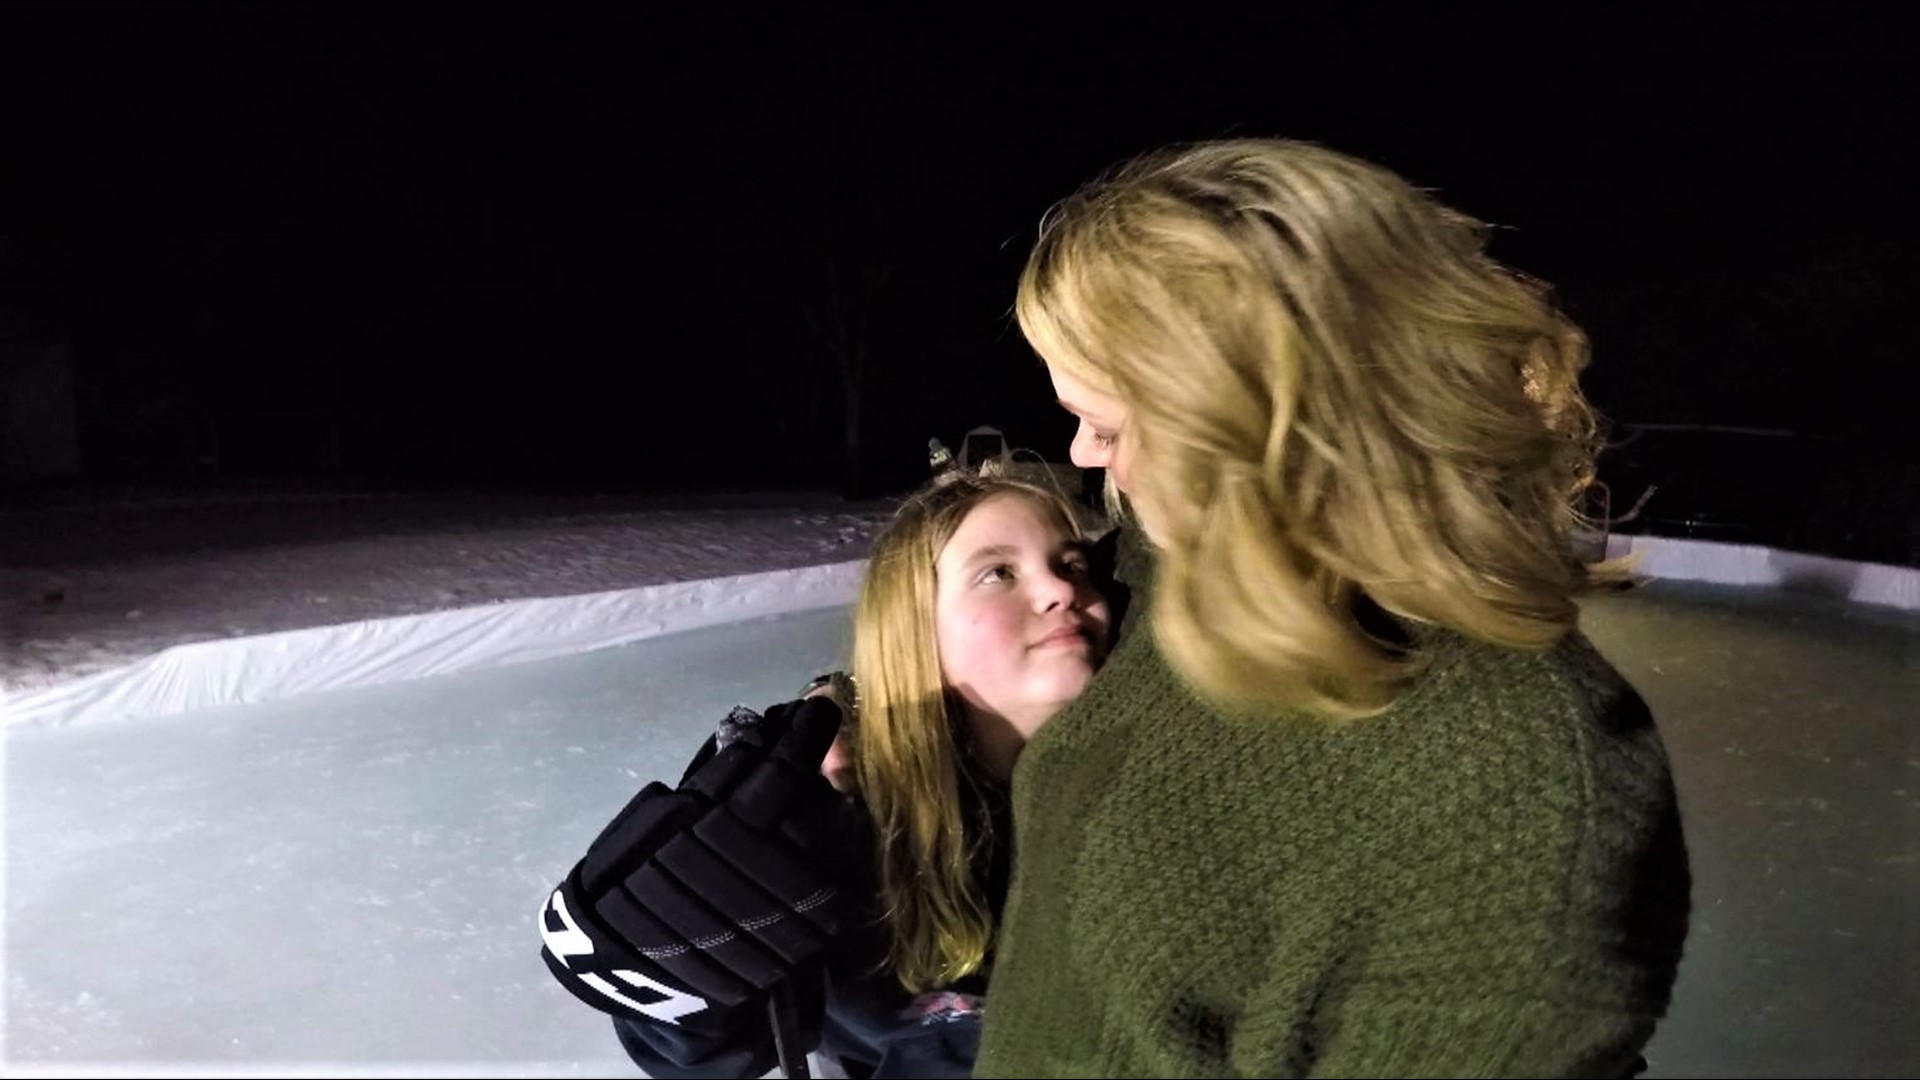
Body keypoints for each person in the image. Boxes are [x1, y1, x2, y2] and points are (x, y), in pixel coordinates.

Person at [972, 138, 1693, 1077]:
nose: (1080, 455)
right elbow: (991, 639)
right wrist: (831, 755)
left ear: (1267, 419)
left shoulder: (1518, 789)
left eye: (1107, 425)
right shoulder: (1177, 566)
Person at [540, 467, 1114, 1078]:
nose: (1059, 588)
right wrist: (674, 992)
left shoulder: (1147, 785)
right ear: (915, 630)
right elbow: (713, 1056)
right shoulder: (829, 818)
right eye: (998, 573)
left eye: (1074, 564)